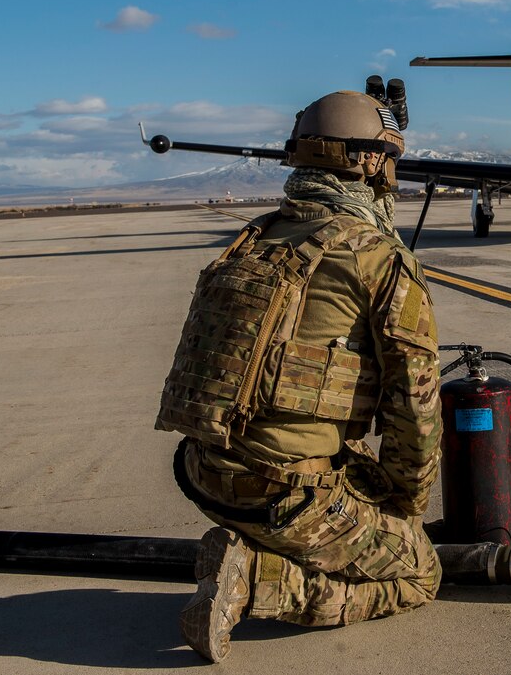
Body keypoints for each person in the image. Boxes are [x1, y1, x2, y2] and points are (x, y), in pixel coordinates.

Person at [155, 89, 441, 662]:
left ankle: (257, 544)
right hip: (281, 493)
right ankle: (256, 580)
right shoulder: (379, 258)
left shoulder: (254, 238)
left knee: (357, 484)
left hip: (202, 469)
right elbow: (415, 410)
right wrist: (404, 511)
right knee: (418, 575)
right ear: (369, 163)